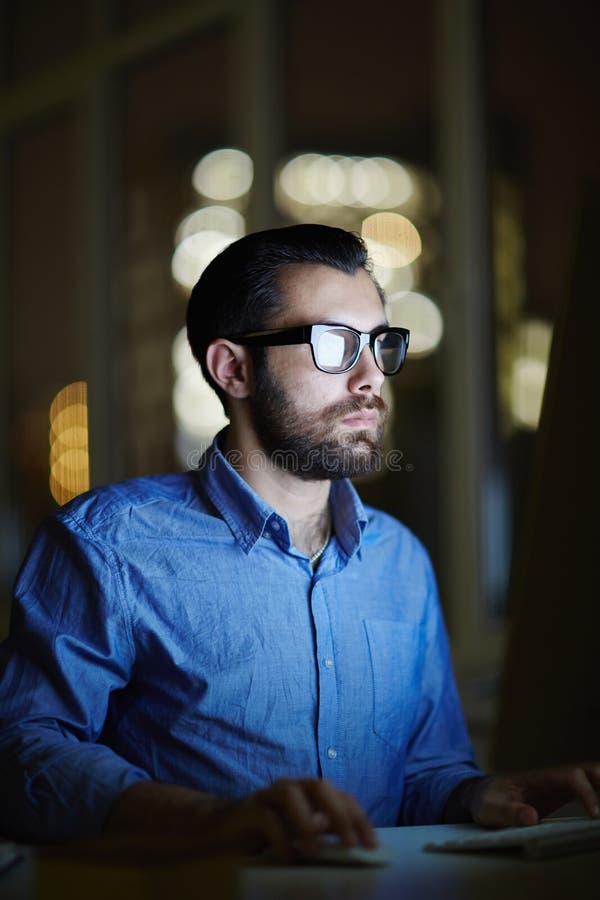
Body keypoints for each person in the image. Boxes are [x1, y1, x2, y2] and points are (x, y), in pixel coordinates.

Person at [0, 225, 598, 859]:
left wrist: (479, 795)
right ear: (233, 368)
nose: (372, 376)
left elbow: (424, 774)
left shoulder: (400, 560)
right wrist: (209, 820)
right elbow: (21, 752)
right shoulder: (109, 544)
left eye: (380, 343)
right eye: (335, 344)